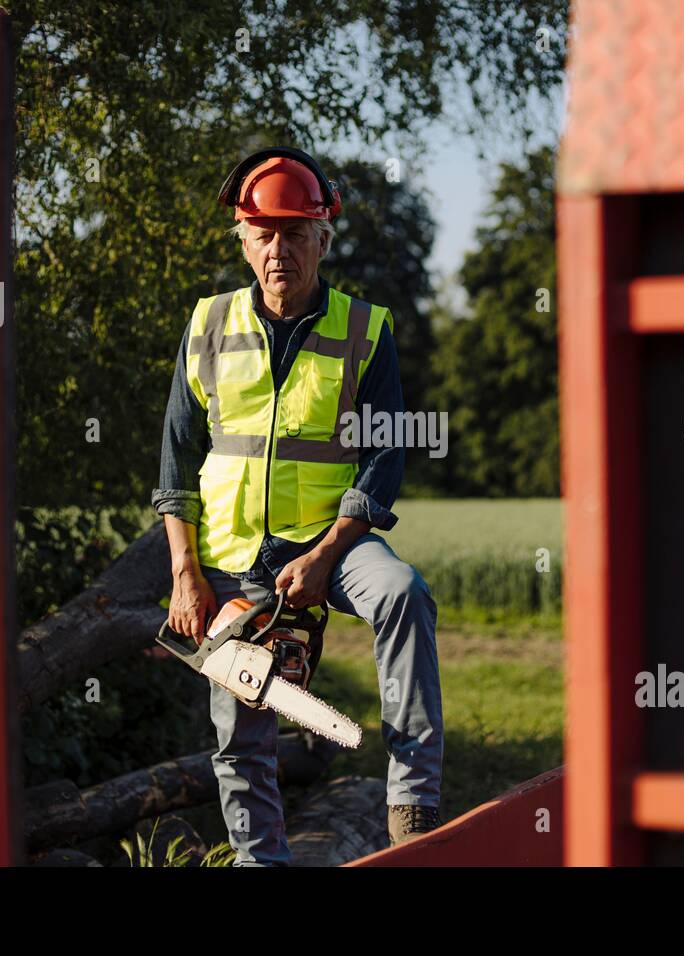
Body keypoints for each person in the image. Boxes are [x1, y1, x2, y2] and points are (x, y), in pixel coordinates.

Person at [151, 147, 444, 866]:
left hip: (332, 542)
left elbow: (383, 460)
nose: (279, 250)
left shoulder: (365, 329)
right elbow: (176, 461)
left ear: (322, 238)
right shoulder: (208, 325)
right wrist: (185, 571)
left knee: (404, 592)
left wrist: (326, 554)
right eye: (264, 235)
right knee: (237, 734)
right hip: (230, 555)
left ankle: (412, 797)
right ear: (244, 242)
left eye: (294, 234)